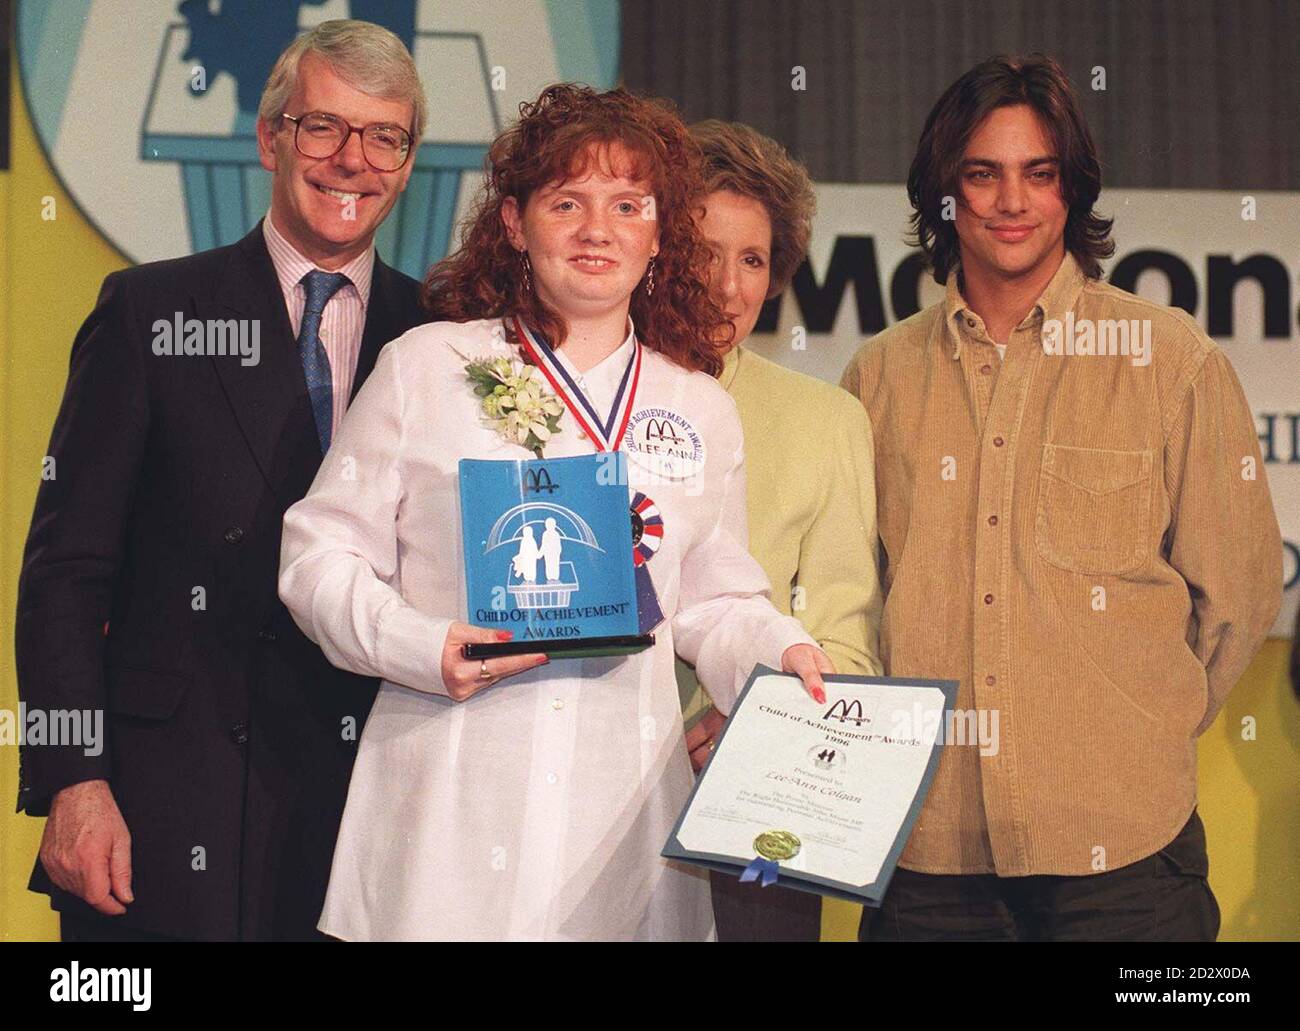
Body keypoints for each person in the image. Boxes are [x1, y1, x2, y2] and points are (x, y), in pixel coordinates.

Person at [277, 83, 834, 941]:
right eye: (566, 202)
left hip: (622, 841)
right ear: (514, 222)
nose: (596, 229)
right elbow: (317, 557)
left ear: (661, 232)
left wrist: (782, 651)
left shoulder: (700, 407)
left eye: (627, 205)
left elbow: (716, 601)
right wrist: (423, 644)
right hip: (443, 833)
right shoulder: (426, 367)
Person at [840, 54, 1282, 942]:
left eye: (1038, 173)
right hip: (927, 854)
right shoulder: (877, 376)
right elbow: (855, 601)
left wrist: (1128, 733)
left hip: (1126, 853)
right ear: (945, 194)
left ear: (1071, 189)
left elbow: (1235, 597)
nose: (1012, 201)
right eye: (983, 174)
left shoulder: (1171, 359)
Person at [15, 20, 430, 941]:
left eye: (384, 137)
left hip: (369, 807)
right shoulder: (150, 312)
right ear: (270, 137)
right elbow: (65, 575)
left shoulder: (444, 336)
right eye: (323, 126)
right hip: (166, 809)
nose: (352, 160)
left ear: (407, 165)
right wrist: (73, 781)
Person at [677, 120, 883, 941]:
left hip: (754, 814)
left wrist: (756, 729)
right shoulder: (580, 390)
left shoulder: (825, 419)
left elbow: (847, 643)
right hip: (577, 798)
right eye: (703, 252)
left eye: (754, 260)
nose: (727, 288)